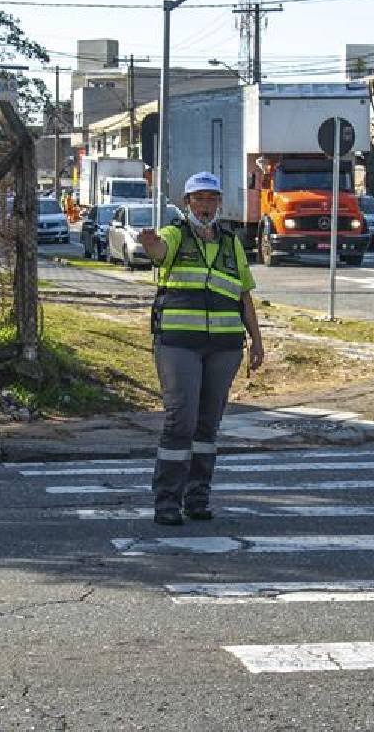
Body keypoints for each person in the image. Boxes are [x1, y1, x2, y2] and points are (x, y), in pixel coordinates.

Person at [138, 172, 265, 526]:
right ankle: (167, 500)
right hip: (179, 345)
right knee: (182, 420)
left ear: (219, 203)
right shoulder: (175, 234)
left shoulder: (231, 242)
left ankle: (197, 498)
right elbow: (159, 252)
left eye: (211, 199)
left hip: (224, 346)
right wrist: (149, 245)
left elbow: (244, 295)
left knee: (208, 425)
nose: (205, 206)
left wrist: (257, 340)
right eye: (199, 199)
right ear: (187, 203)